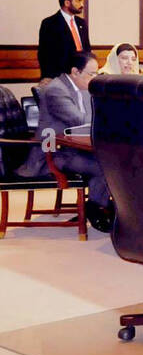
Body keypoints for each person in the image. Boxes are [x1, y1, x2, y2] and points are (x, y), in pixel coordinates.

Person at [17, 51, 112, 231]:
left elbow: (90, 116)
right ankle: (96, 209)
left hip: (70, 147)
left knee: (112, 161)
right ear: (75, 72)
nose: (94, 78)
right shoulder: (56, 90)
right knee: (105, 167)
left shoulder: (78, 87)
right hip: (52, 153)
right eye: (91, 74)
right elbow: (79, 120)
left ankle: (99, 204)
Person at [38, 0, 90, 80]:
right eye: (78, 1)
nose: (82, 5)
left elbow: (87, 49)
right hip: (60, 76)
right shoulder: (50, 23)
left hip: (81, 74)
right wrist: (47, 76)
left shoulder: (81, 23)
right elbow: (45, 54)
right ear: (67, 3)